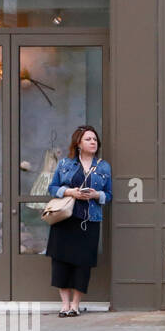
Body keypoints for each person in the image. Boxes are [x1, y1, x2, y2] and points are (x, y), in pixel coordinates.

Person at [46, 125, 112, 317]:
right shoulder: (65, 163)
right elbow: (52, 188)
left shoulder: (103, 166)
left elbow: (108, 195)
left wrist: (95, 194)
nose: (93, 142)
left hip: (89, 221)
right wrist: (69, 192)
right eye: (88, 139)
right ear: (78, 143)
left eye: (95, 139)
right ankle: (64, 305)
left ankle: (75, 305)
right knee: (61, 261)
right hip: (65, 219)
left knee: (83, 263)